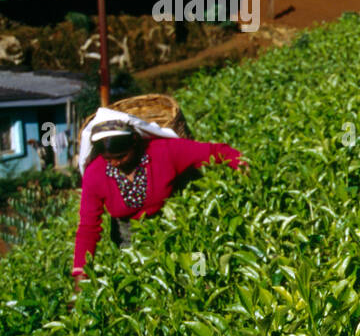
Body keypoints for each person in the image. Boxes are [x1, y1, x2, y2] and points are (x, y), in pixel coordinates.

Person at [73, 109, 245, 281]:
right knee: (142, 285)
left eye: (121, 156)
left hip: (177, 226)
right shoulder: (95, 174)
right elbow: (88, 227)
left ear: (134, 142)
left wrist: (243, 165)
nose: (116, 163)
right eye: (108, 159)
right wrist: (81, 272)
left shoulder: (163, 152)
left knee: (198, 271)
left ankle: (203, 290)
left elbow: (213, 152)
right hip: (131, 239)